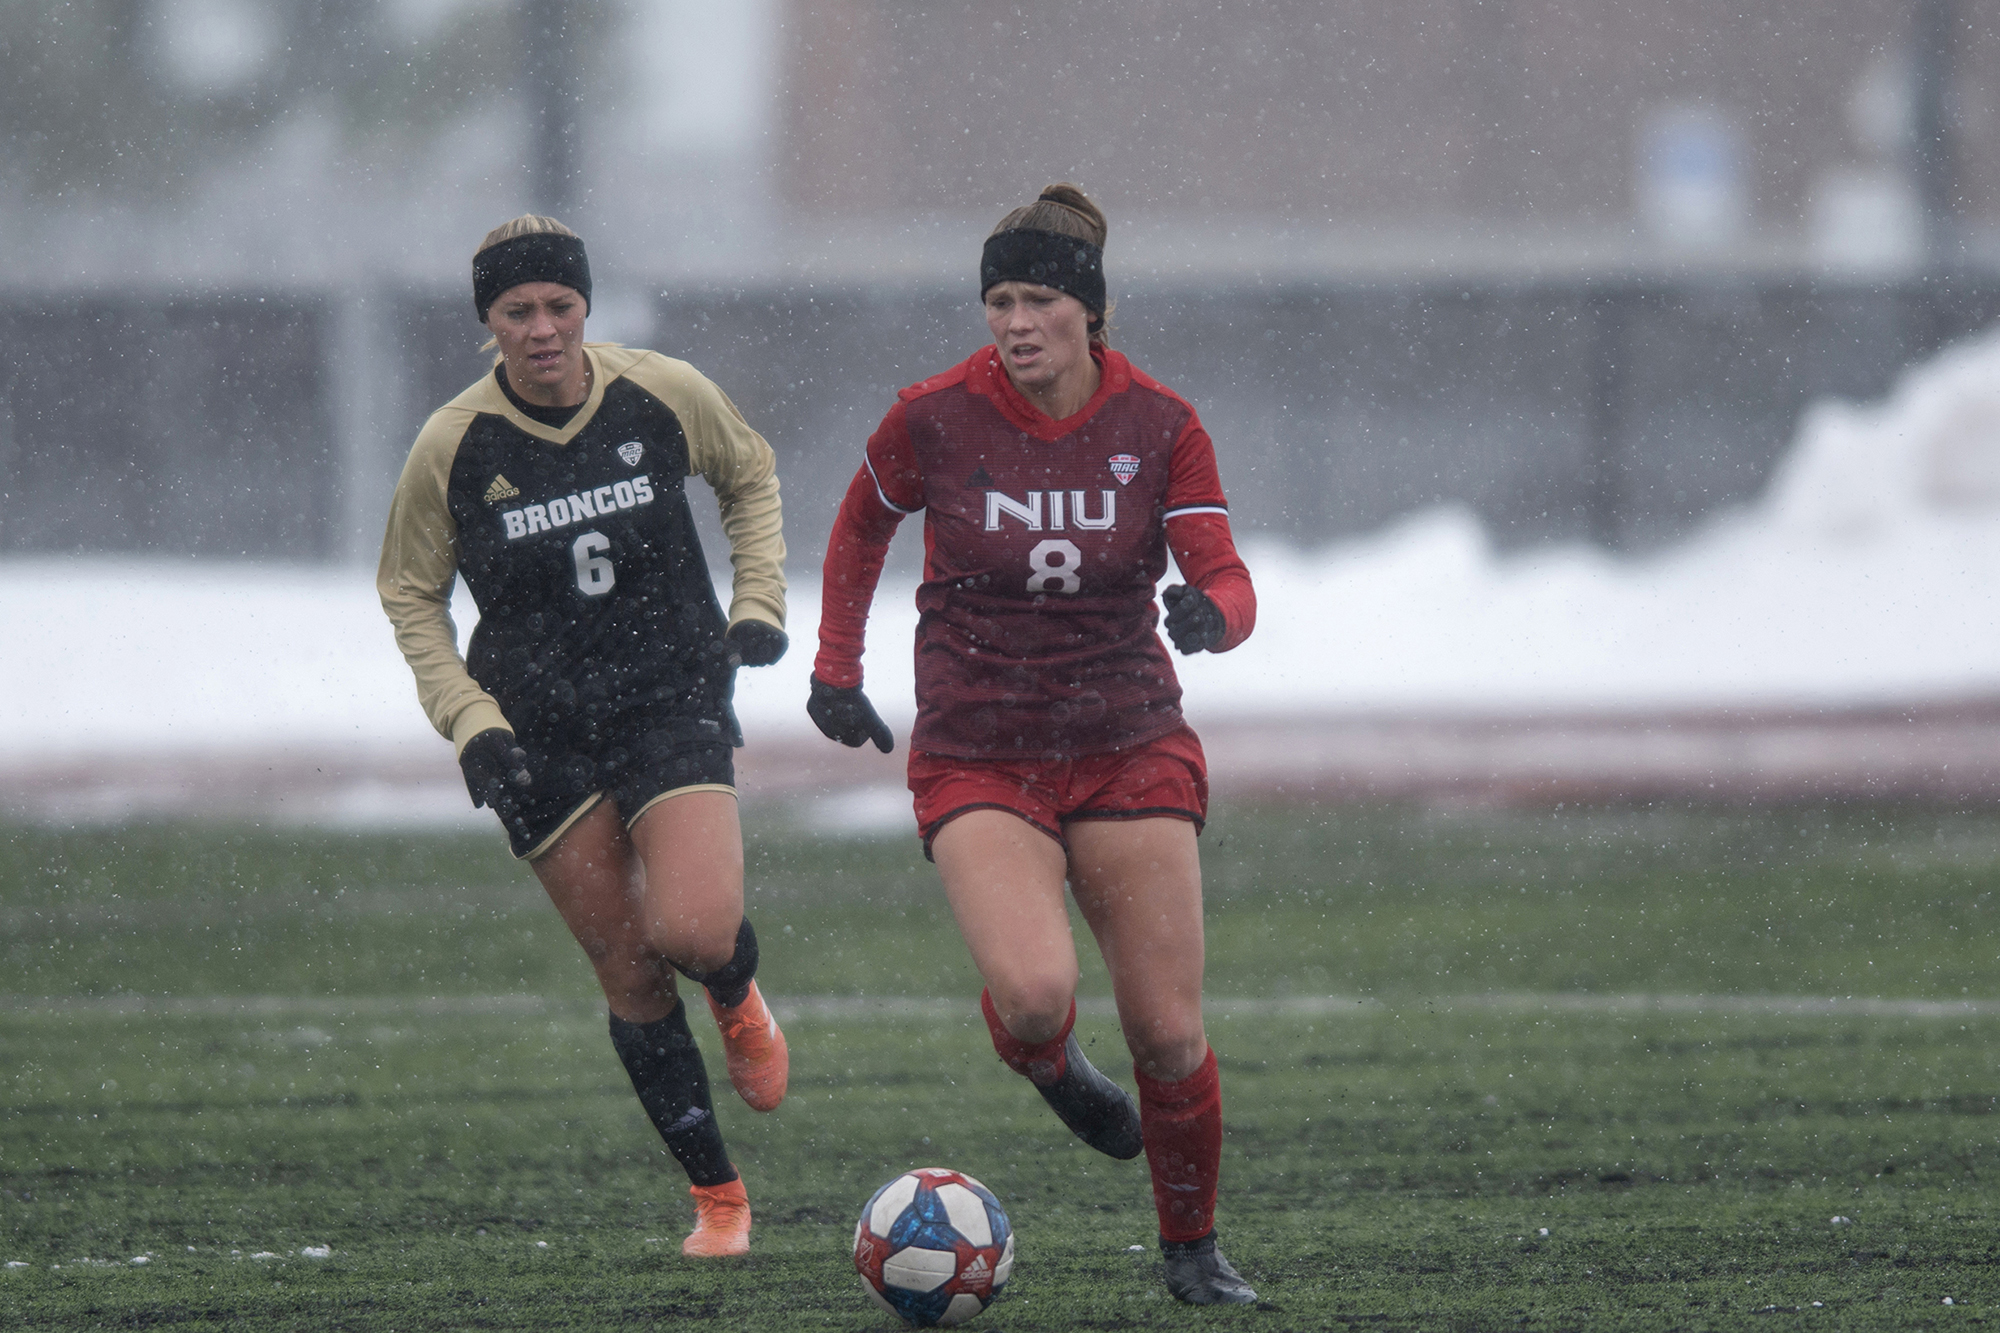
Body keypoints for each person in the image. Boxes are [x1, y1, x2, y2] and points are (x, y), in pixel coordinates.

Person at [806, 184, 1260, 1304]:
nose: (1015, 323)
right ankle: (1049, 1061)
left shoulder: (1160, 425)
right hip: (980, 750)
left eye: (1038, 301)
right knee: (1031, 995)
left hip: (1127, 740)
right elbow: (860, 525)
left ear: (1087, 311)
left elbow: (1226, 572)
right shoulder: (931, 417)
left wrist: (1213, 613)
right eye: (998, 301)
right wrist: (834, 668)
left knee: (1167, 1032)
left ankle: (1192, 1249)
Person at [378, 215, 790, 1258]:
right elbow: (410, 593)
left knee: (692, 932)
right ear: (488, 321)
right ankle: (719, 1200)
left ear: (585, 305)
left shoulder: (662, 392)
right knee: (631, 971)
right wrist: (469, 720)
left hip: (668, 693)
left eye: (559, 305)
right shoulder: (452, 446)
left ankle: (734, 988)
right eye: (517, 311)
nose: (542, 328)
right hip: (536, 732)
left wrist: (758, 604)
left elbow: (749, 474)